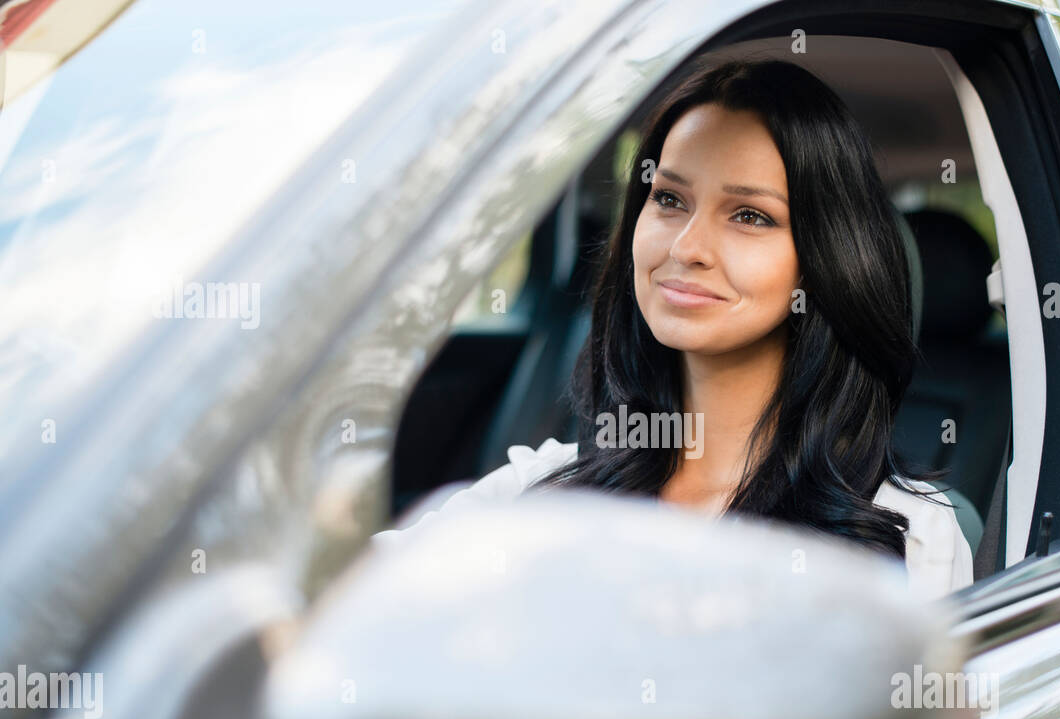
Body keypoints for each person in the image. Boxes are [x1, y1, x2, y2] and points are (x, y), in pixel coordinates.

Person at [376, 58, 973, 600]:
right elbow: (355, 605)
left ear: (823, 263)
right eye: (668, 199)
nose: (687, 248)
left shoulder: (908, 538)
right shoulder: (542, 487)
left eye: (749, 216)